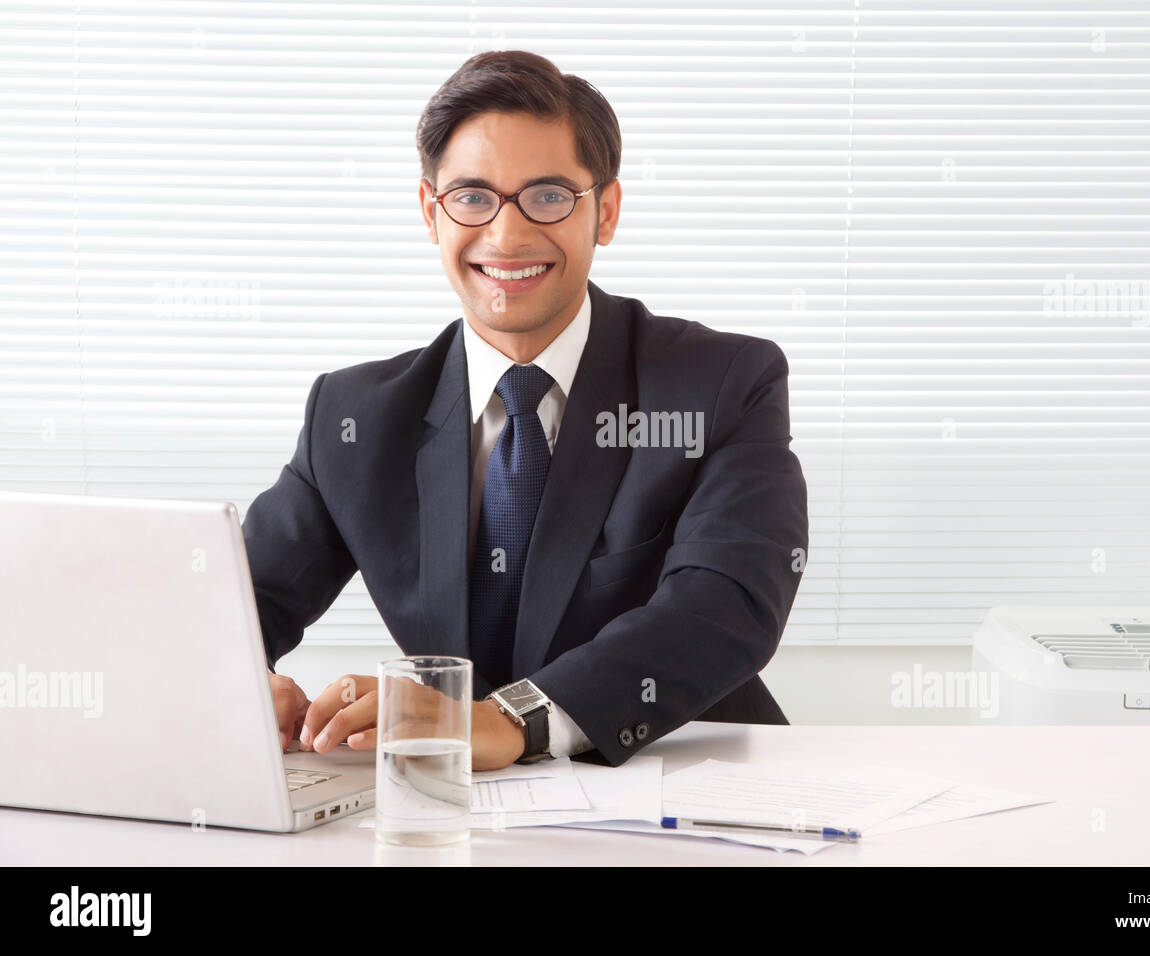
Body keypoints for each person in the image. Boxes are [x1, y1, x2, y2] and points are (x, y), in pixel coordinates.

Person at [245, 50, 808, 770]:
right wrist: (239, 683)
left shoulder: (723, 383)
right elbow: (239, 601)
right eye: (473, 198)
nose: (506, 236)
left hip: (684, 788)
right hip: (464, 814)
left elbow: (727, 604)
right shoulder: (353, 418)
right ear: (431, 213)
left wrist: (514, 721)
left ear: (605, 211)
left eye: (547, 196)